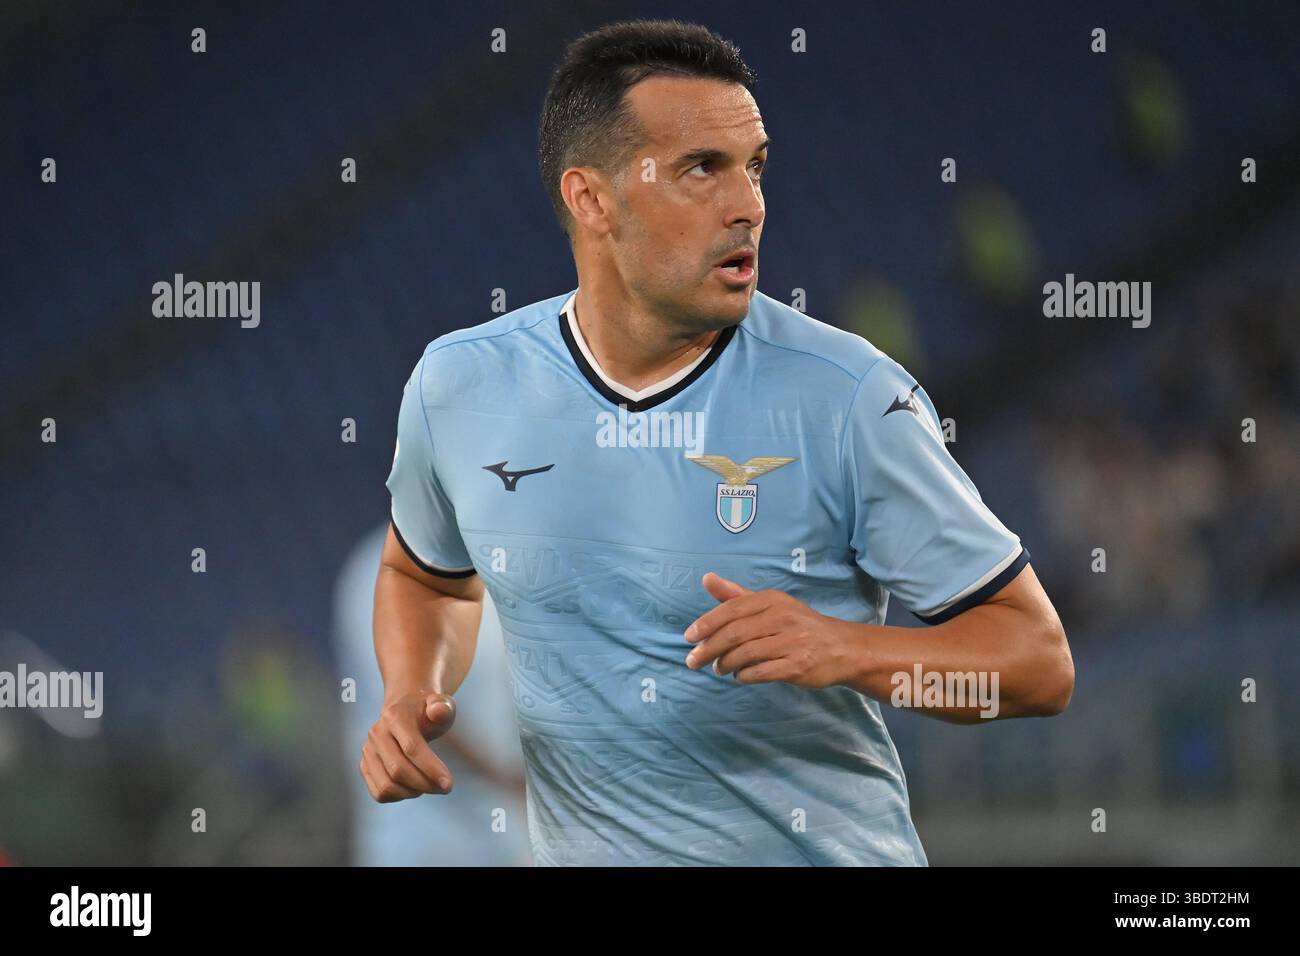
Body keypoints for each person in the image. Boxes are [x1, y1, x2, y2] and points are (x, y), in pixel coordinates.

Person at [361, 19, 1073, 866]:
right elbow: (425, 575)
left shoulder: (847, 398)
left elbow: (1036, 664)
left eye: (755, 166)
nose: (750, 206)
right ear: (591, 198)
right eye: (704, 169)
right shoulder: (460, 387)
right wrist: (413, 692)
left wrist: (850, 649)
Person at [335, 525, 529, 865]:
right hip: (420, 841)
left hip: (503, 841)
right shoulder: (381, 569)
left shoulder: (500, 567)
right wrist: (516, 785)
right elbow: (415, 715)